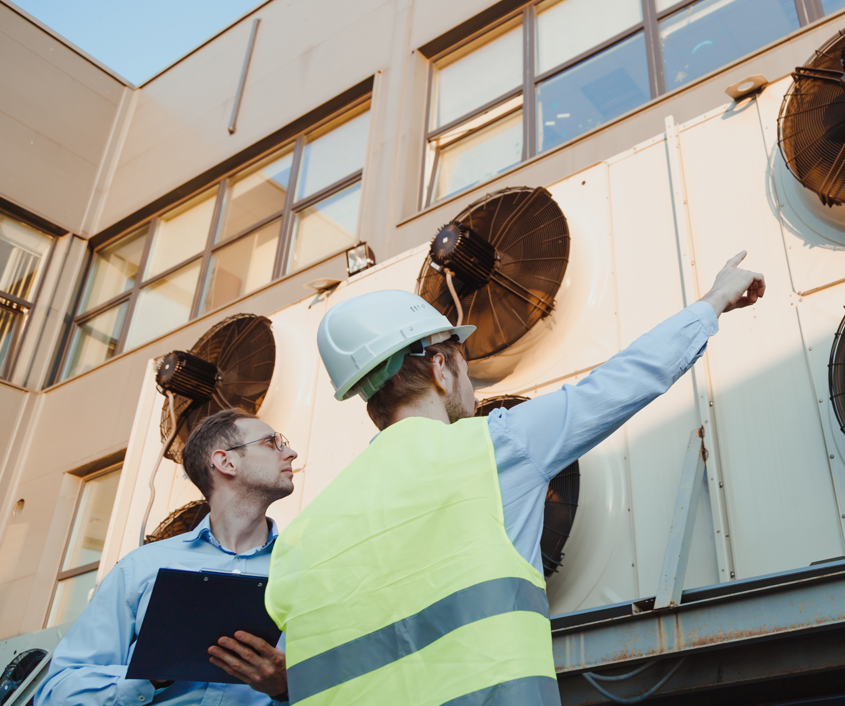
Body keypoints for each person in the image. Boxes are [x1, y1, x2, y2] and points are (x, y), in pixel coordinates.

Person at [266, 251, 765, 705]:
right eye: (462, 359)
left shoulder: (299, 540)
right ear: (440, 367)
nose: (470, 379)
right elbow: (620, 383)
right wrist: (713, 301)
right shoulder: (495, 446)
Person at [35, 409, 297, 705]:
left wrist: (286, 687)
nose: (291, 453)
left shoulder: (306, 570)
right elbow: (56, 692)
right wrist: (152, 674)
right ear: (226, 462)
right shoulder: (141, 567)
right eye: (270, 442)